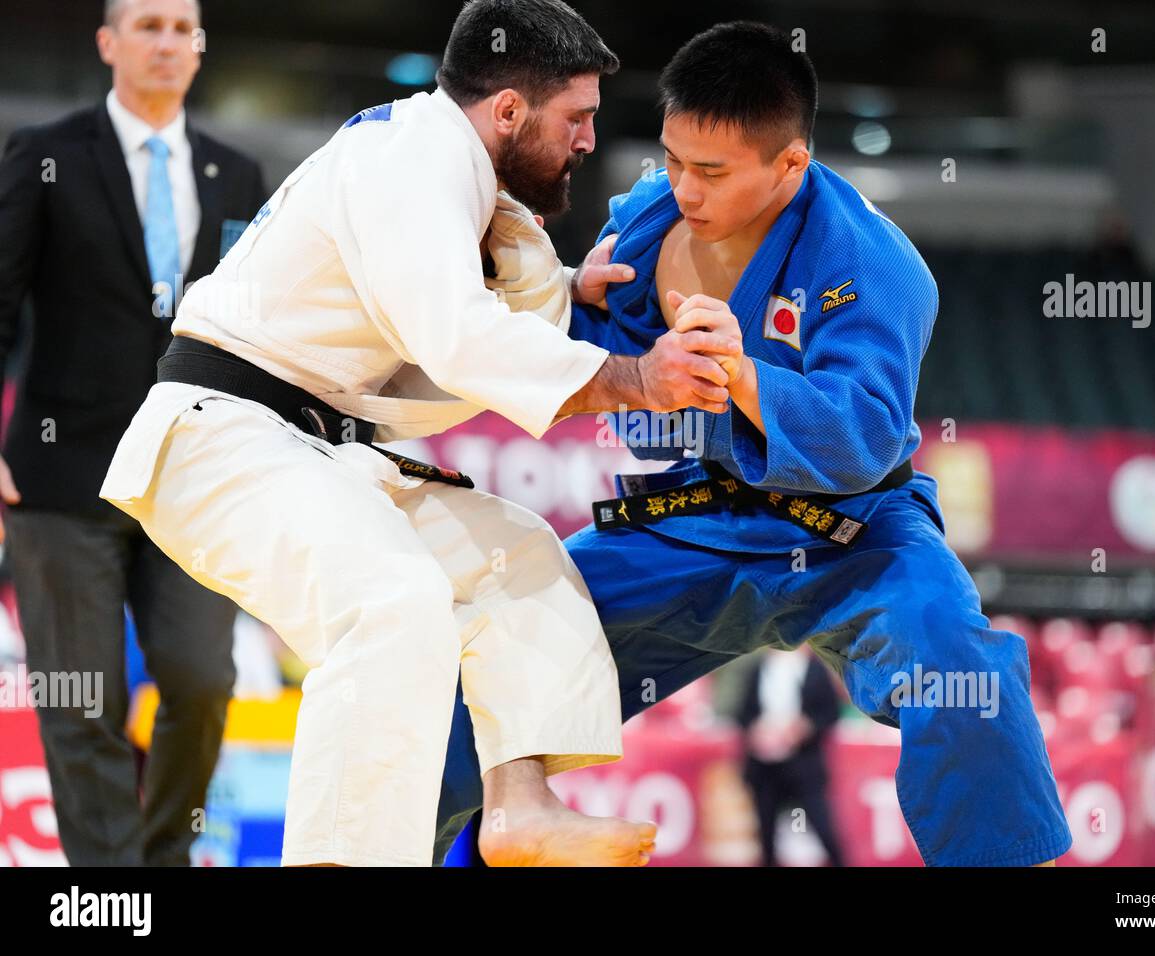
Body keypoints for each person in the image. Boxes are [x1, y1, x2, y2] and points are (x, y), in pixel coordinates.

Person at [100, 0, 739, 867]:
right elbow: (458, 338)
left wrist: (564, 289)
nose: (589, 139)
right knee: (391, 603)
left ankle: (519, 805)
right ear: (508, 109)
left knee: (521, 555)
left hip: (317, 448)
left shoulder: (462, 179)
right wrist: (634, 380)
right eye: (576, 117)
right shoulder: (411, 158)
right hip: (223, 433)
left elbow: (459, 316)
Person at [435, 21, 1073, 867]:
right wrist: (551, 292)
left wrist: (743, 377)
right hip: (692, 522)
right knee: (484, 659)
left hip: (853, 531)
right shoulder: (646, 223)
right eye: (671, 158)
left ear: (790, 166)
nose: (683, 188)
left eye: (711, 170)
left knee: (965, 668)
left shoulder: (873, 264)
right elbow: (587, 353)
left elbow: (865, 436)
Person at [0, 0, 264, 866]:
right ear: (108, 43)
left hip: (193, 480)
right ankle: (113, 898)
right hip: (61, 477)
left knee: (202, 677)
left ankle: (163, 862)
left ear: (199, 48)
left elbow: (262, 331)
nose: (165, 42)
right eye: (146, 25)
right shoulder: (45, 155)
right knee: (81, 698)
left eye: (181, 27)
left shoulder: (239, 175)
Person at [738, 648, 846, 867]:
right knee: (766, 831)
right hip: (764, 765)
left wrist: (805, 728)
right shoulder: (758, 667)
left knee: (822, 826)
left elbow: (830, 713)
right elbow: (742, 713)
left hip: (803, 764)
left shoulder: (815, 669)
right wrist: (756, 730)